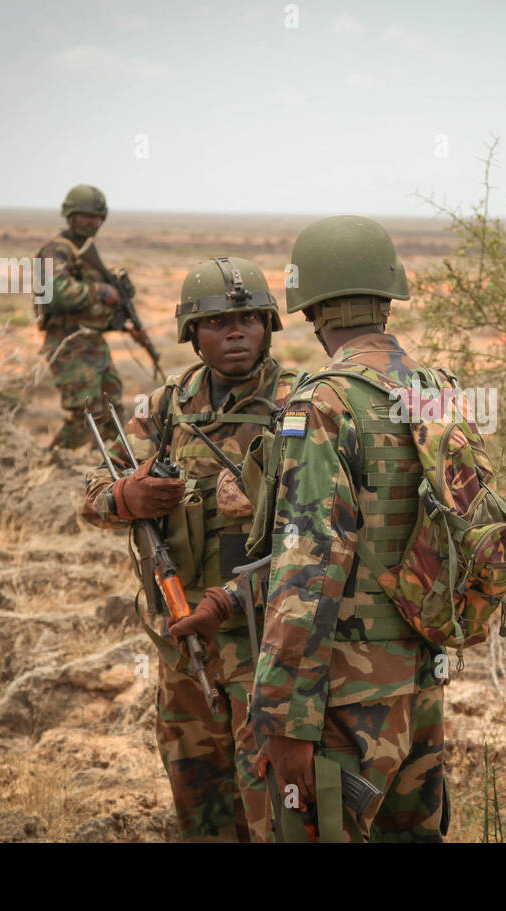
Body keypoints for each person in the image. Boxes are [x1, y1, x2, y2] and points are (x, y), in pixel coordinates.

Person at [177, 215, 447, 842]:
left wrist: (283, 718)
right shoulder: (433, 390)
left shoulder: (322, 402)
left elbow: (307, 565)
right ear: (387, 294)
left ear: (310, 308)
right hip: (421, 678)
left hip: (342, 695)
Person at [82, 256, 299, 841]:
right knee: (196, 790)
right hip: (183, 636)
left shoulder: (301, 405)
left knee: (274, 793)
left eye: (250, 319)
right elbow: (92, 497)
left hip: (265, 635)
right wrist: (128, 496)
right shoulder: (162, 408)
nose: (236, 333)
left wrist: (260, 498)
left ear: (269, 326)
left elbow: (328, 517)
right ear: (192, 335)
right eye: (219, 323)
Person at [35, 184, 130, 449]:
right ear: (71, 214)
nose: (93, 223)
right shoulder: (57, 250)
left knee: (110, 410)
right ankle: (52, 464)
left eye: (98, 218)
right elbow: (57, 293)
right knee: (85, 413)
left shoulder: (83, 252)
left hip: (91, 342)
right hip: (68, 343)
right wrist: (102, 290)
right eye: (87, 216)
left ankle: (108, 468)